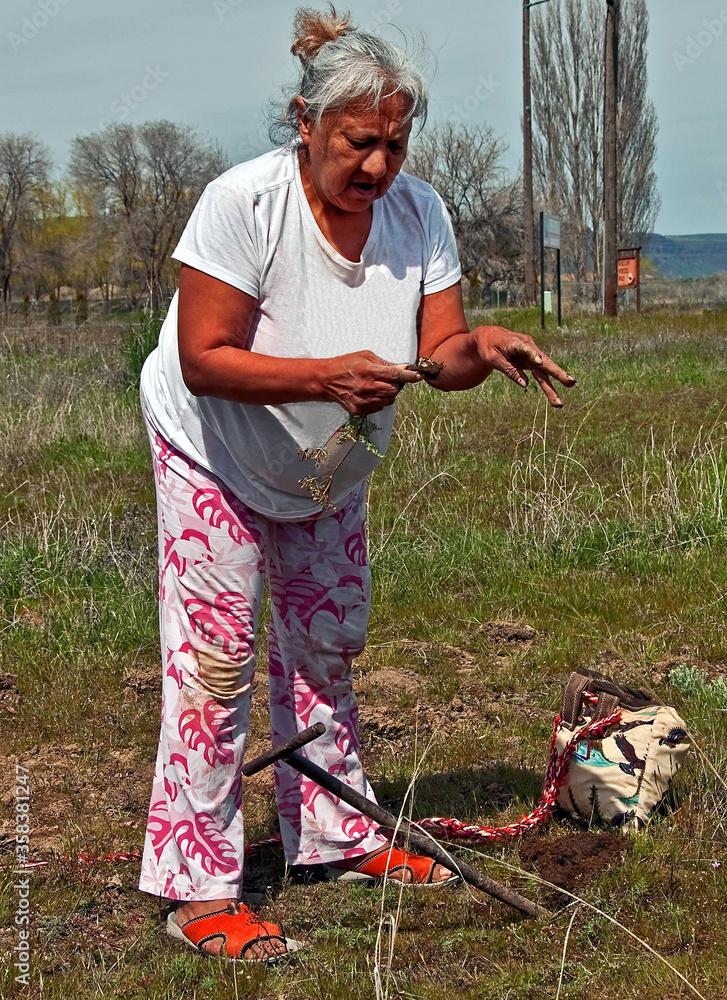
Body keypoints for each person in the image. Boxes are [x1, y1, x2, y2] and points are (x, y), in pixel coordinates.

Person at [138, 5, 575, 962]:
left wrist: (483, 346)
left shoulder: (418, 215)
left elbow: (439, 353)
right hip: (211, 443)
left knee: (327, 643)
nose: (378, 166)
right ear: (305, 122)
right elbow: (205, 357)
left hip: (323, 462)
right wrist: (323, 375)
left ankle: (336, 840)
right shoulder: (243, 205)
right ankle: (196, 886)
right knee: (216, 666)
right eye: (358, 142)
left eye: (395, 142)